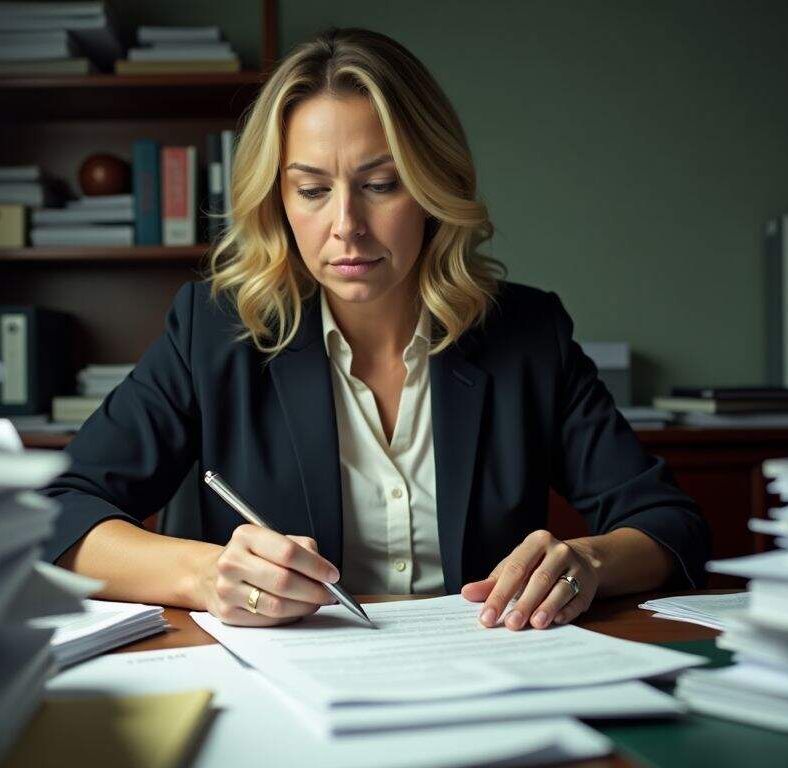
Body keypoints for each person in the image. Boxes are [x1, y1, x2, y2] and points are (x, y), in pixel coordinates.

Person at [43, 28, 708, 631]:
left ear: (431, 186)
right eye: (311, 189)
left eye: (381, 184)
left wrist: (587, 560)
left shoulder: (528, 336)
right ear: (278, 199)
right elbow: (55, 513)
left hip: (481, 682)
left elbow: (669, 524)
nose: (346, 227)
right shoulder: (213, 332)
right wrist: (206, 574)